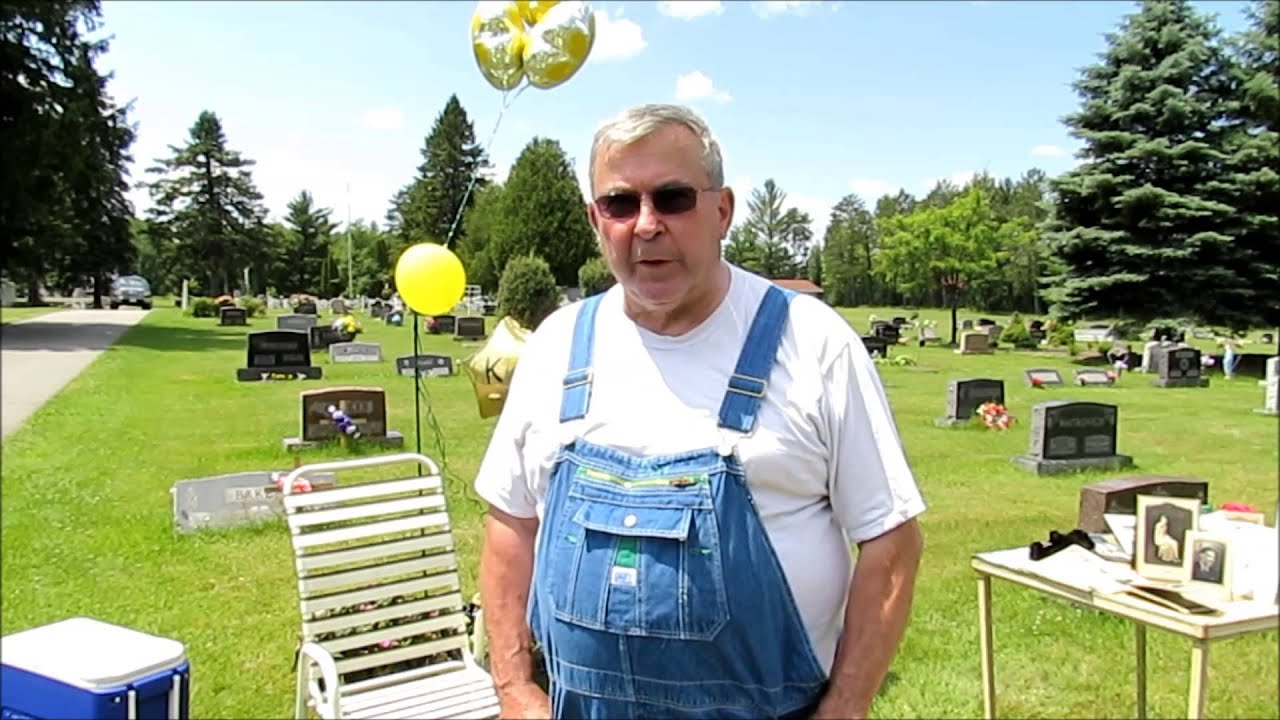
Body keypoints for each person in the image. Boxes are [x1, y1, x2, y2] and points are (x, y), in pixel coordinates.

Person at [475, 103, 926, 719]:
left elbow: (891, 543)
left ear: (722, 211)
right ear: (595, 219)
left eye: (673, 197)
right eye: (620, 204)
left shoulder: (814, 345)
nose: (647, 224)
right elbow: (511, 524)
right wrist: (515, 688)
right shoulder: (556, 344)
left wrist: (844, 708)